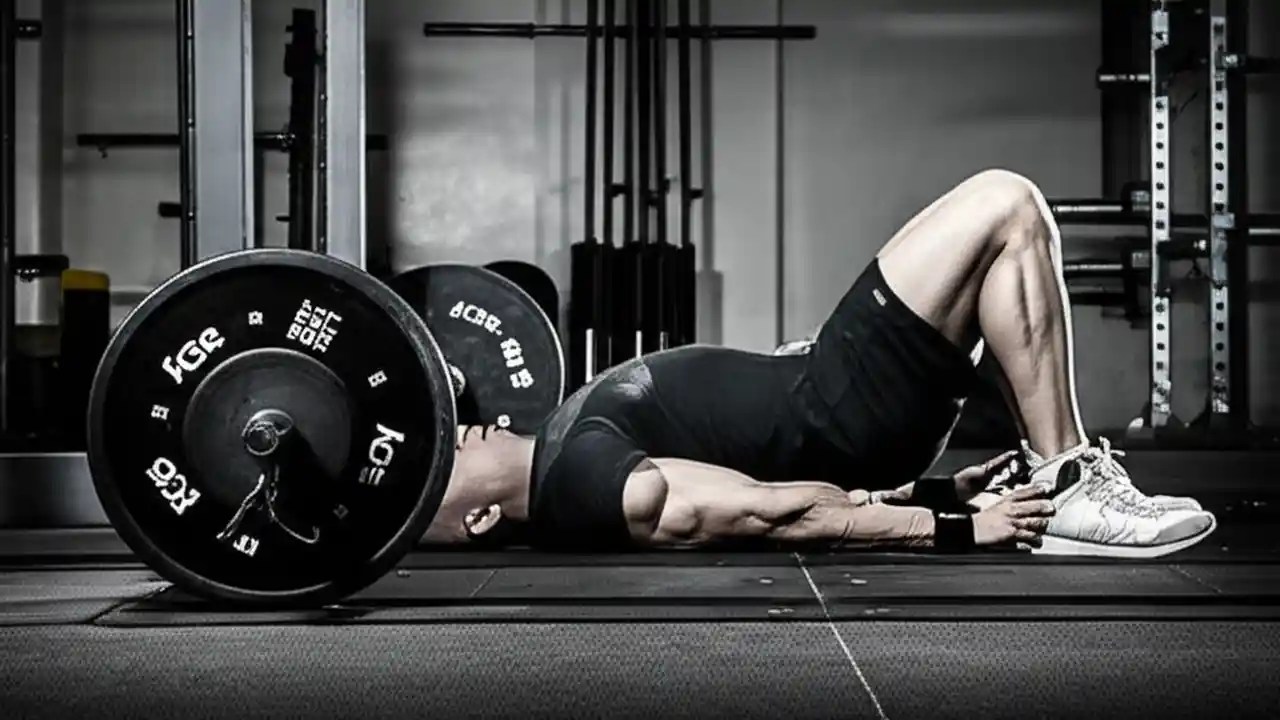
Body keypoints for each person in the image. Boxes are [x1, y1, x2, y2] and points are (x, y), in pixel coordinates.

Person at [422, 169, 1216, 557]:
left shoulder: (567, 447)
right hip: (840, 403)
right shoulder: (579, 481)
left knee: (1003, 257)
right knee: (1004, 205)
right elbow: (760, 510)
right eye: (438, 462)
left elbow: (746, 462)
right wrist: (948, 527)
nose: (453, 434)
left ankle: (1060, 473)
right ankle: (1069, 478)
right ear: (481, 517)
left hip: (839, 405)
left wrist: (926, 486)